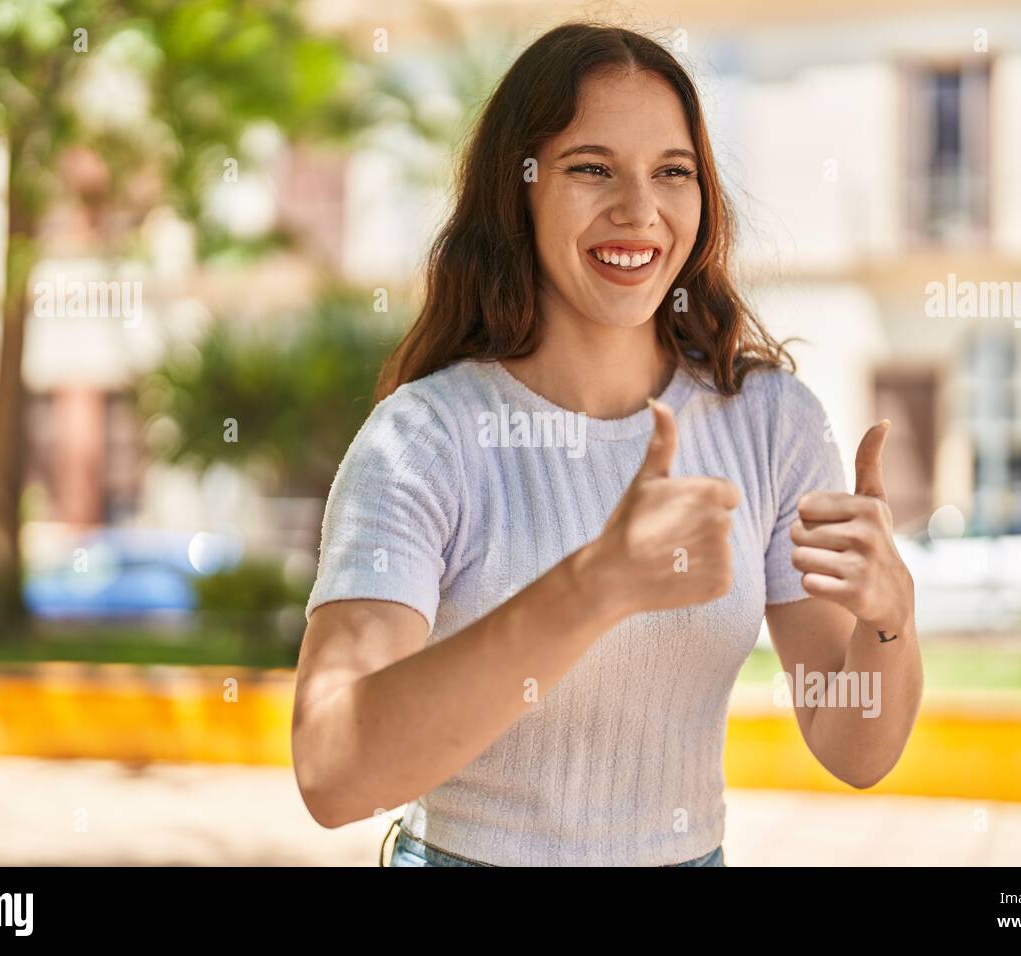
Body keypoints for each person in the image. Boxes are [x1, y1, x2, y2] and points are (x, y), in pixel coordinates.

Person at [291, 21, 922, 867]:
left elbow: (855, 749)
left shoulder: (769, 422)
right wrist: (595, 586)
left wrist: (889, 621)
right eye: (592, 168)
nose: (639, 210)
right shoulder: (423, 439)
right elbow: (333, 773)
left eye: (673, 172)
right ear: (519, 189)